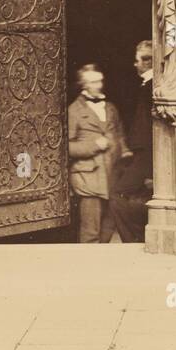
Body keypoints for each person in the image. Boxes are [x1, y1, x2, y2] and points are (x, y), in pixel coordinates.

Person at [67, 64, 128, 243]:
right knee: (90, 230)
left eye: (100, 80)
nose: (99, 85)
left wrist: (125, 151)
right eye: (93, 82)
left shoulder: (110, 107)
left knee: (109, 225)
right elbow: (67, 147)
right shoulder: (74, 110)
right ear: (83, 85)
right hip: (89, 178)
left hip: (113, 173)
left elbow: (120, 133)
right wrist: (94, 145)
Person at [110, 41, 154, 242]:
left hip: (147, 154)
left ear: (148, 61)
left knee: (119, 195)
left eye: (138, 61)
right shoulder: (146, 84)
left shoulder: (153, 86)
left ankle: (133, 240)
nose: (135, 65)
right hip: (142, 152)